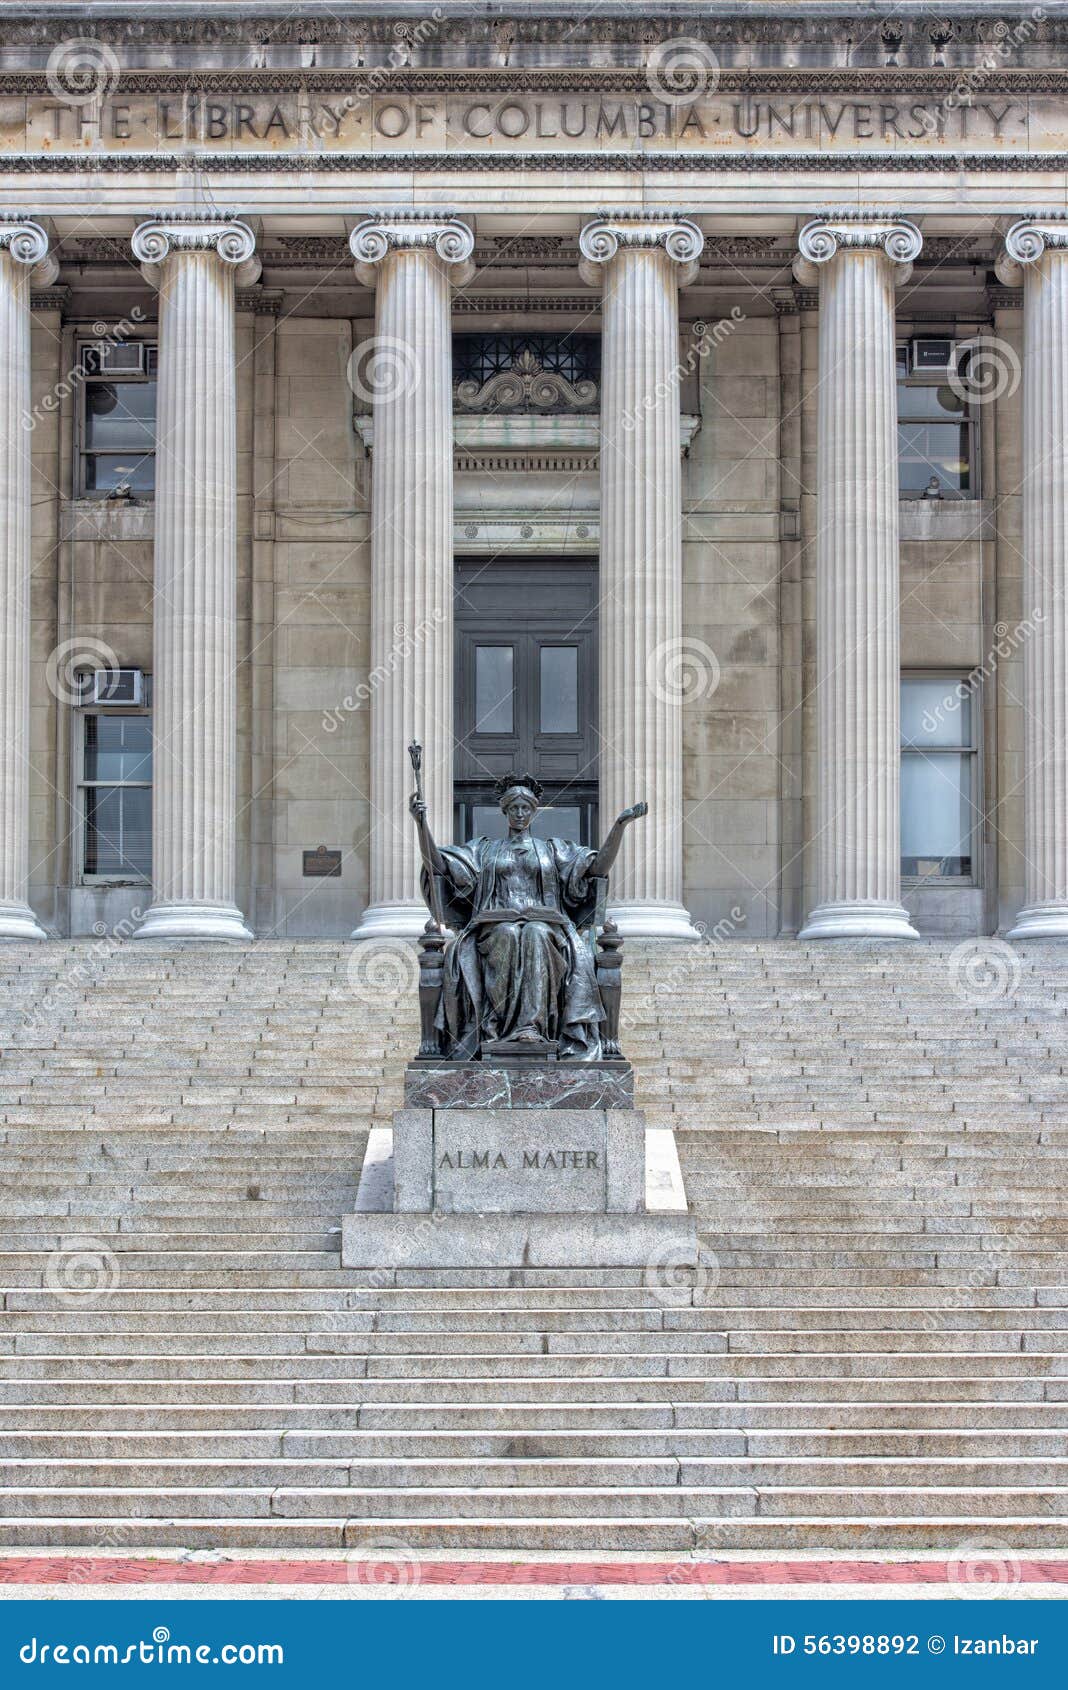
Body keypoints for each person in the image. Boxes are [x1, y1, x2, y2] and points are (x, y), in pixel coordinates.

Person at [409, 772, 646, 1061]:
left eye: (525, 808)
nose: (520, 814)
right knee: (508, 934)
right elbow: (439, 866)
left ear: (534, 812)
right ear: (505, 811)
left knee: (536, 933)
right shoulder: (484, 850)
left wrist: (619, 826)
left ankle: (529, 1027)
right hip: (494, 926)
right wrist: (421, 825)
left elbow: (597, 868)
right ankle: (496, 1027)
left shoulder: (553, 850)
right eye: (514, 808)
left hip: (546, 926)